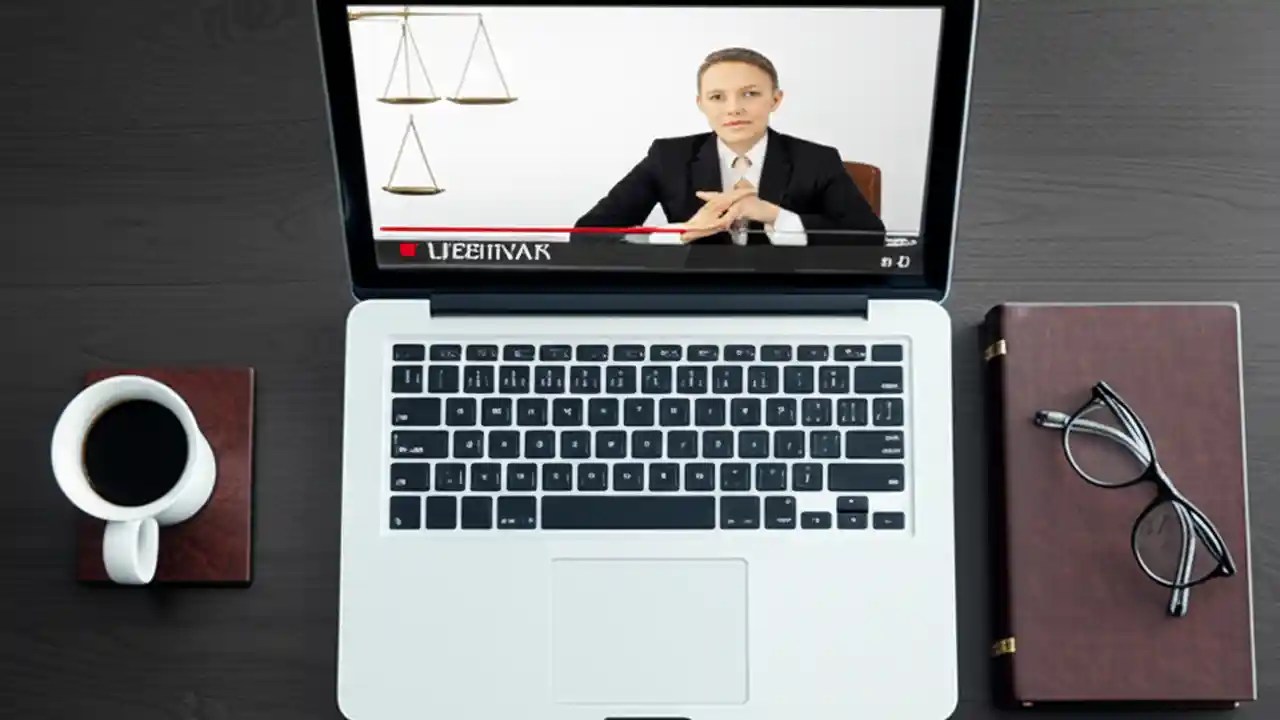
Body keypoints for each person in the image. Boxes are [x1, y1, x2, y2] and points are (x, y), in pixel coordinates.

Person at [573, 47, 885, 246]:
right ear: (700, 104)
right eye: (717, 97)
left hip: (789, 299)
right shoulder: (667, 157)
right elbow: (587, 235)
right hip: (694, 300)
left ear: (775, 100)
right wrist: (680, 233)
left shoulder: (817, 159)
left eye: (750, 94)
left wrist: (775, 216)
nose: (733, 109)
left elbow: (870, 237)